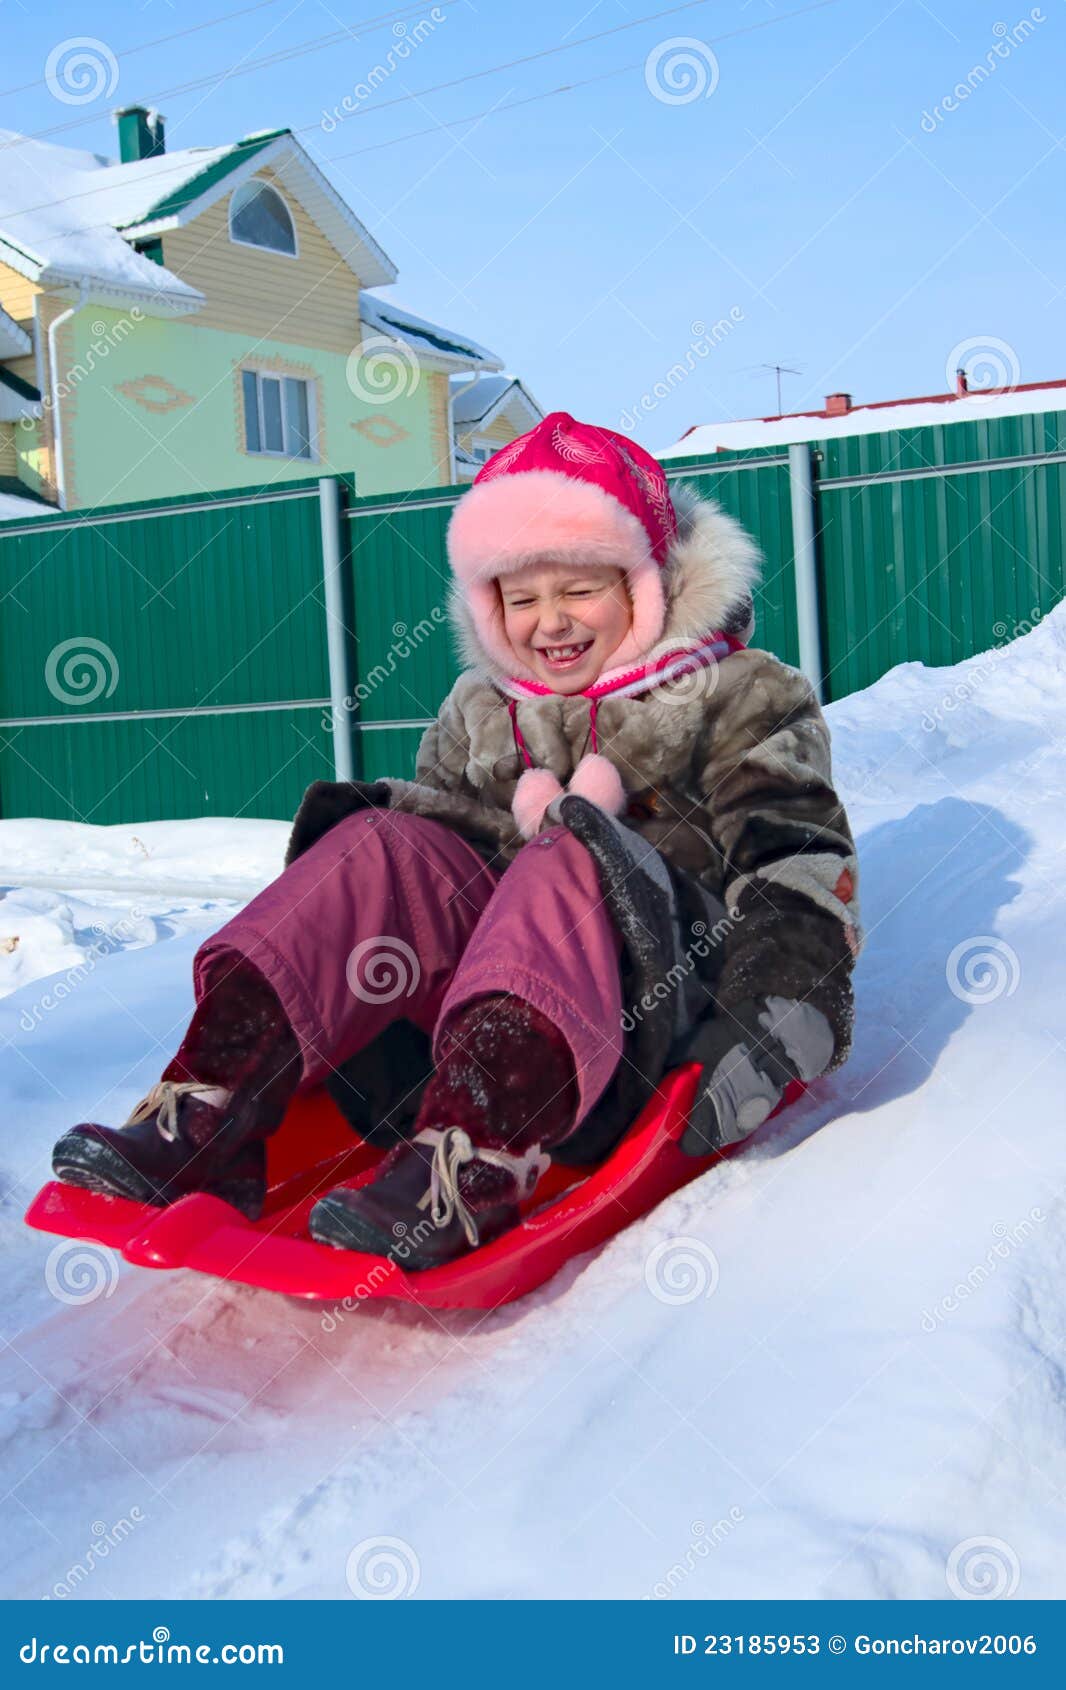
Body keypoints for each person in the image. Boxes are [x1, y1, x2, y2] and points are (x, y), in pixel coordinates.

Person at [51, 413, 862, 1270]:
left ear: (645, 582)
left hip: (646, 1029)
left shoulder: (739, 694)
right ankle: (211, 1107)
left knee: (565, 850)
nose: (550, 622)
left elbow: (797, 863)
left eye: (580, 588)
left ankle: (472, 1166)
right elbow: (421, 892)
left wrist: (771, 1025)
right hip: (466, 1034)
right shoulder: (478, 712)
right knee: (384, 843)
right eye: (520, 597)